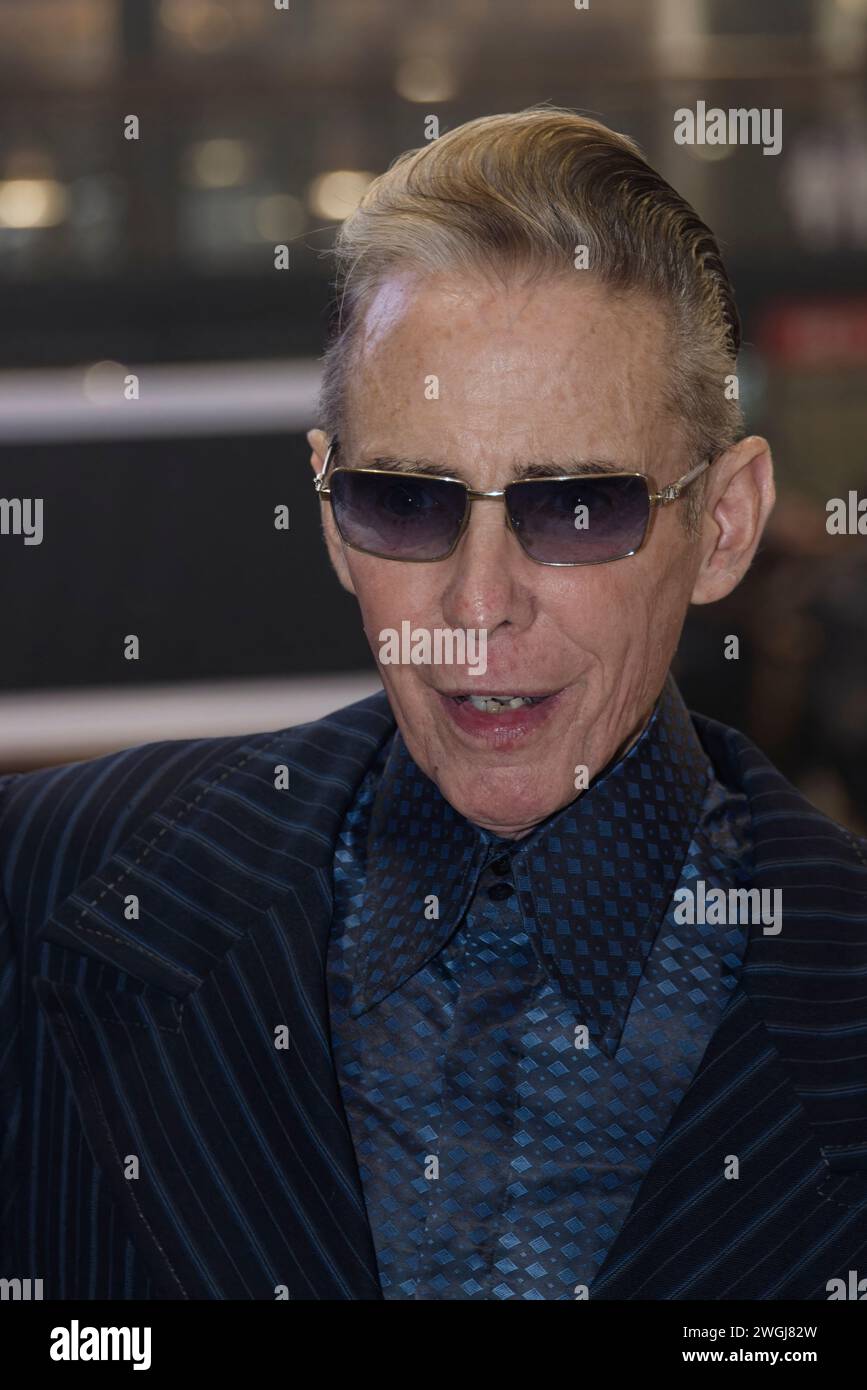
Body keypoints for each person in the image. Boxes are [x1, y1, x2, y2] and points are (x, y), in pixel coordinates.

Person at [1, 109, 865, 1302]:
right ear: (328, 514)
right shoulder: (40, 891)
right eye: (408, 503)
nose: (478, 601)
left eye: (575, 508)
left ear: (722, 524)